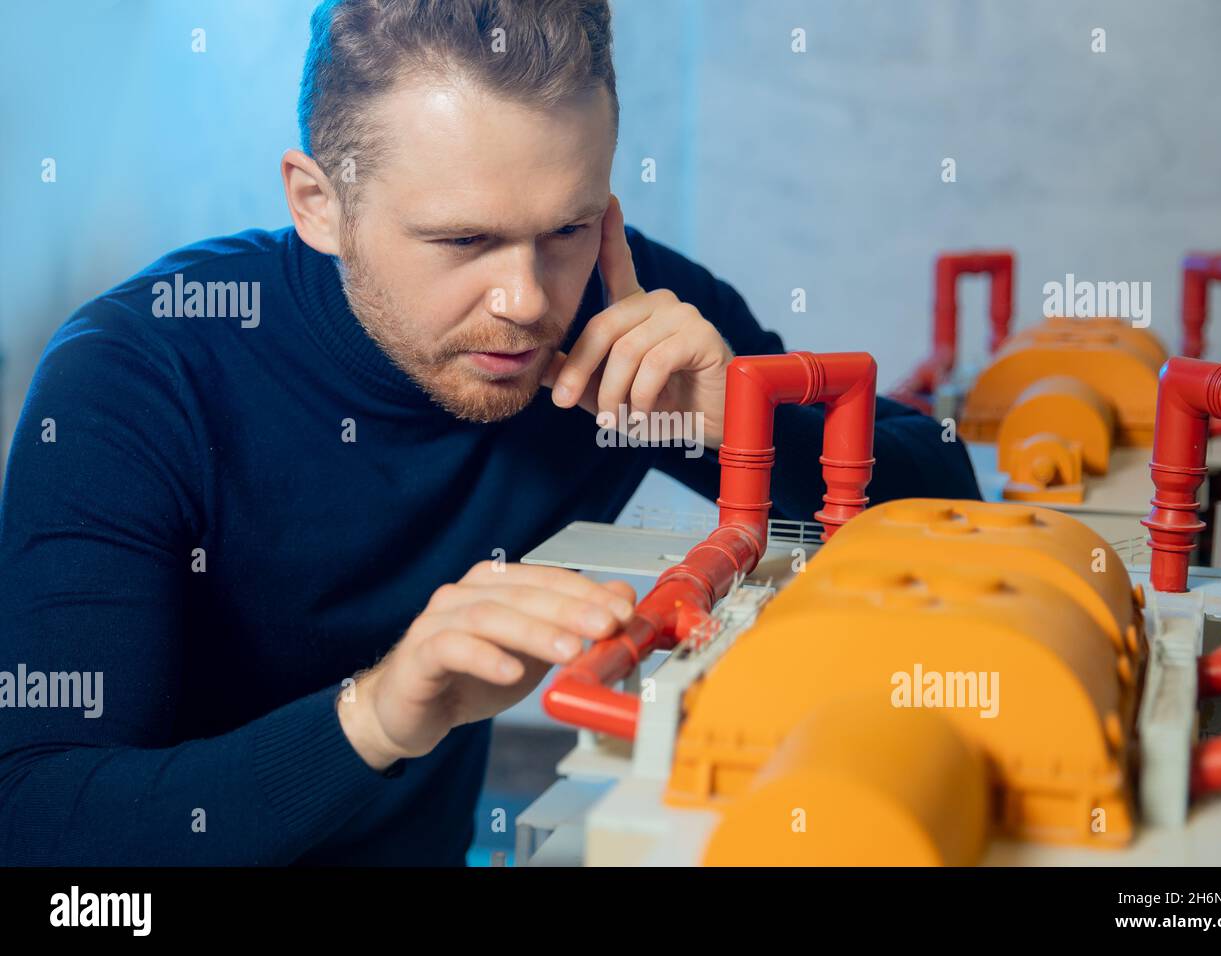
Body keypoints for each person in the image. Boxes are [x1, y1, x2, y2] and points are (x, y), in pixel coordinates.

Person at [0, 0, 980, 865]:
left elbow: (952, 504)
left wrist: (742, 424)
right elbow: (38, 819)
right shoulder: (134, 378)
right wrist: (377, 714)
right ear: (319, 203)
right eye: (462, 241)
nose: (524, 302)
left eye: (565, 228)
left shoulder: (615, 303)